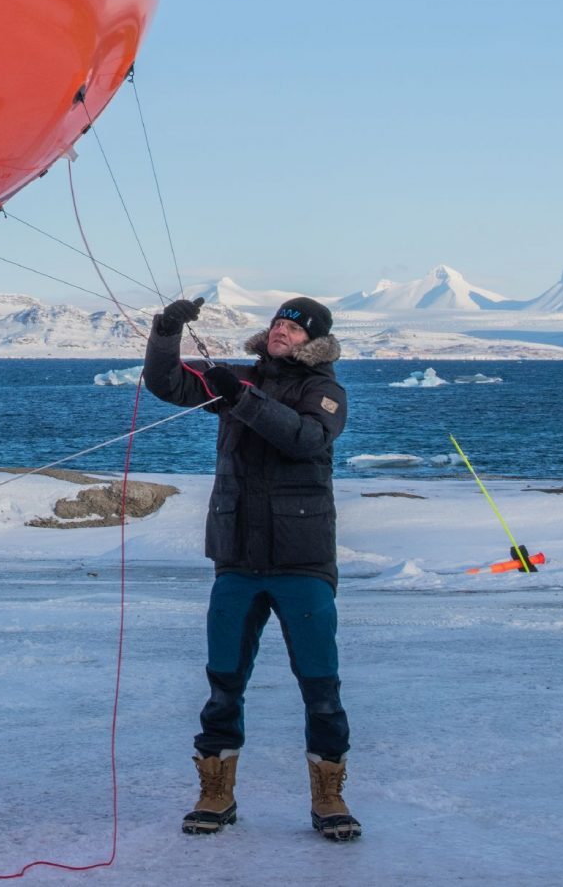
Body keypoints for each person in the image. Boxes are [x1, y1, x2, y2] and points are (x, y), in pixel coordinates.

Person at [143, 294, 360, 842]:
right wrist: (167, 332)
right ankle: (216, 792)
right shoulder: (240, 378)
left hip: (302, 563)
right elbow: (167, 385)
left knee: (321, 688)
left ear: (314, 341)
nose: (282, 329)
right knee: (223, 685)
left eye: (294, 326)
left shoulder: (325, 393)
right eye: (278, 322)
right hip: (237, 559)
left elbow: (303, 438)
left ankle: (329, 796)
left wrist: (242, 397)